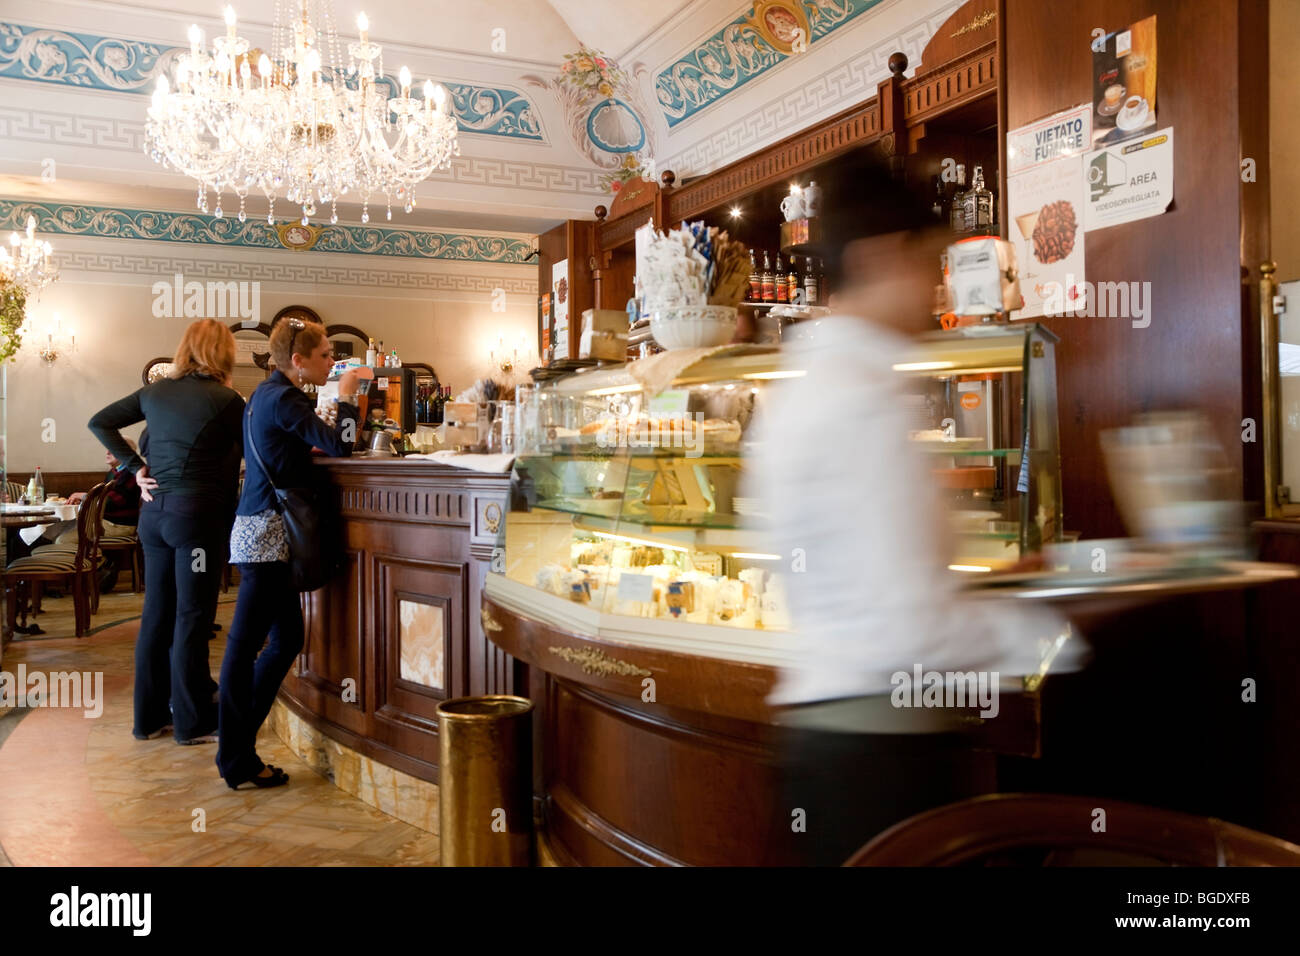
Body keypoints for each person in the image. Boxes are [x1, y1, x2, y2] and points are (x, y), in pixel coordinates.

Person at [747, 154, 1084, 865]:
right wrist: (1054, 627)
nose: (937, 288)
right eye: (927, 262)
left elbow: (874, 585)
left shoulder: (812, 383)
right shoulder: (858, 401)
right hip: (877, 758)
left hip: (833, 741)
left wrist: (988, 589)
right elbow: (909, 629)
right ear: (878, 258)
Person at [216, 318, 370, 789]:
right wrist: (347, 393)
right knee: (245, 649)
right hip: (266, 535)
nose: (332, 360)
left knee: (284, 640)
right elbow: (343, 446)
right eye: (325, 355)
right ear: (298, 361)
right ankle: (234, 754)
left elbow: (293, 451)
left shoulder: (269, 396)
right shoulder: (283, 398)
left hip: (261, 532)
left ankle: (238, 750)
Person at [89, 319, 244, 744]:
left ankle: (148, 718)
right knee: (193, 617)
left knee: (157, 616)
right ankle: (193, 722)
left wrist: (133, 467)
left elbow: (100, 421)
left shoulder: (154, 393)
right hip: (196, 519)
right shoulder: (226, 400)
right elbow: (259, 449)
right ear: (223, 354)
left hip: (153, 517)